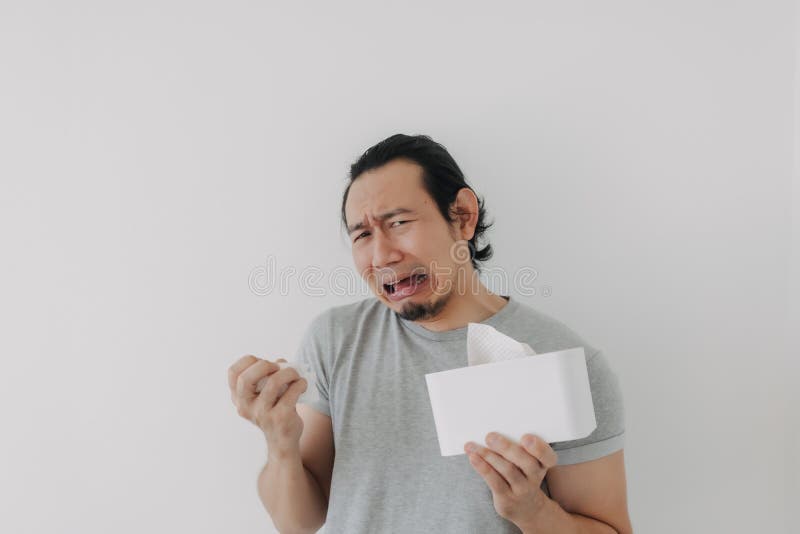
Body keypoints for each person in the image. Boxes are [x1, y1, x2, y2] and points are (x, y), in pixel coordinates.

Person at [228, 134, 633, 533]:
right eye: (363, 235)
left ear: (462, 216)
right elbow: (296, 522)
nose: (383, 255)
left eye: (399, 222)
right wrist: (280, 443)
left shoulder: (565, 362)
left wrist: (532, 511)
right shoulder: (335, 339)